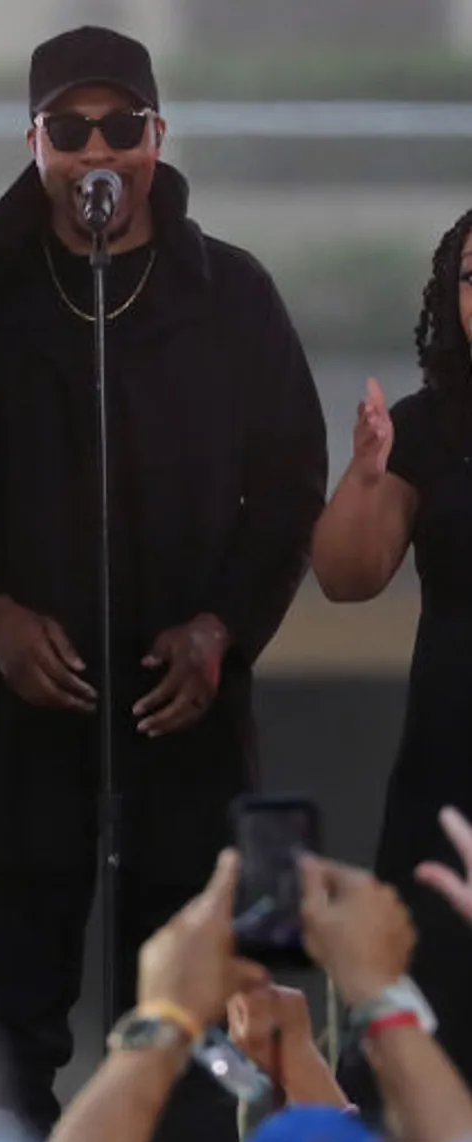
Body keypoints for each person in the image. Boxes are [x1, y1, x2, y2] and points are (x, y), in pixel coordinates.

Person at [0, 27, 329, 1142]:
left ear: (156, 140)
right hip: (14, 723)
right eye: (70, 129)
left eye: (121, 127)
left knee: (195, 1035)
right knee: (4, 1044)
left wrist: (223, 628)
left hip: (184, 724)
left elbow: (289, 492)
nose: (98, 149)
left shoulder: (229, 292)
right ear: (33, 143)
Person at [309, 206, 472, 1084]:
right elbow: (346, 576)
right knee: (430, 1019)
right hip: (451, 760)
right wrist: (366, 475)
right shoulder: (433, 423)